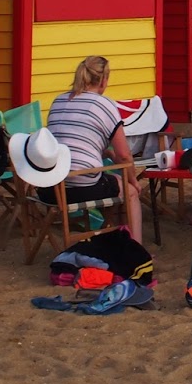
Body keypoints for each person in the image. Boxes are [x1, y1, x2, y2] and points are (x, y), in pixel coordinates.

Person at [44, 55, 143, 243]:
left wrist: (102, 152)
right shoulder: (103, 104)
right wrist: (134, 182)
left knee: (112, 183)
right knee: (129, 191)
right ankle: (137, 250)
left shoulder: (58, 101)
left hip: (51, 185)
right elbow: (124, 156)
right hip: (81, 185)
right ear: (104, 80)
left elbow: (70, 141)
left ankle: (112, 241)